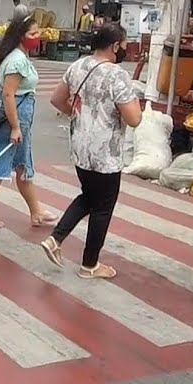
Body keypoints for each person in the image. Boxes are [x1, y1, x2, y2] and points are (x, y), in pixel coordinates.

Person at [42, 23, 143, 279]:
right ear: (115, 46)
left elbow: (56, 99)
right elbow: (134, 118)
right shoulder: (117, 75)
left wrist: (81, 116)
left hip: (80, 147)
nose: (124, 49)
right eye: (123, 44)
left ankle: (55, 238)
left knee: (89, 196)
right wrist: (134, 100)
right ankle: (90, 265)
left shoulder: (78, 66)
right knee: (102, 208)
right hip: (105, 152)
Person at [0, 14, 57, 229]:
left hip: (20, 117)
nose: (37, 37)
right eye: (33, 33)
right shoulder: (16, 61)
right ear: (21, 36)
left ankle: (36, 212)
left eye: (38, 33)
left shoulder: (19, 57)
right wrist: (16, 127)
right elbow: (9, 95)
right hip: (13, 118)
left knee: (22, 166)